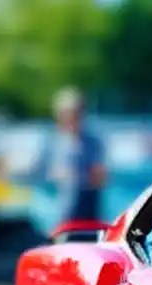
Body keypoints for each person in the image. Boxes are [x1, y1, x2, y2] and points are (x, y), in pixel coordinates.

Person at [35, 88, 106, 223]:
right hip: (58, 212)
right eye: (69, 113)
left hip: (88, 210)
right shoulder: (51, 142)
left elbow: (100, 178)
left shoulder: (93, 142)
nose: (73, 118)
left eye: (77, 113)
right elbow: (40, 174)